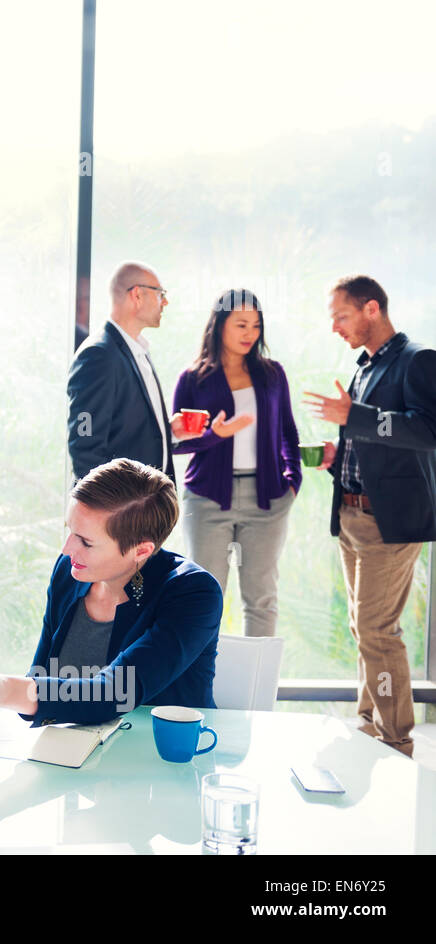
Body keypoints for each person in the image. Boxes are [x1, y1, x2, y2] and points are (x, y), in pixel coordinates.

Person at [0, 458, 222, 726]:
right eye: (70, 530)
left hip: (163, 759)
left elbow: (116, 692)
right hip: (75, 755)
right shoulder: (71, 572)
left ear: (141, 551)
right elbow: (41, 677)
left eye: (86, 542)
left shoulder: (193, 594)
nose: (67, 549)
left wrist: (8, 690)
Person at [304, 275, 436, 757]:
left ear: (372, 309)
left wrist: (352, 417)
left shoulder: (418, 360)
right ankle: (370, 720)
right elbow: (377, 440)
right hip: (354, 515)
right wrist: (337, 455)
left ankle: (396, 738)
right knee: (364, 627)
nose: (336, 327)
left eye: (341, 316)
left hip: (390, 522)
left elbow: (426, 430)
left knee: (379, 630)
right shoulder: (364, 367)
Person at [172, 290, 301, 637]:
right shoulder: (192, 378)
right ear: (219, 325)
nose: (250, 333)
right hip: (208, 499)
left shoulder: (273, 374)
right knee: (203, 597)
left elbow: (288, 431)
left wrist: (293, 482)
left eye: (256, 325)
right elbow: (178, 443)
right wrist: (217, 434)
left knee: (261, 600)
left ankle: (256, 691)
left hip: (268, 498)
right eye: (241, 324)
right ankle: (200, 688)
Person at [67, 262, 203, 481]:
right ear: (137, 295)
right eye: (160, 294)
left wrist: (167, 432)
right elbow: (85, 447)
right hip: (121, 509)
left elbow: (125, 433)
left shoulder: (137, 349)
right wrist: (109, 511)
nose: (165, 302)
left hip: (146, 504)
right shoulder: (98, 356)